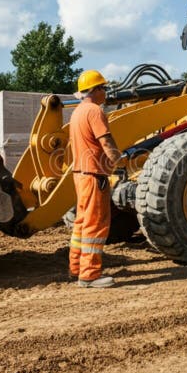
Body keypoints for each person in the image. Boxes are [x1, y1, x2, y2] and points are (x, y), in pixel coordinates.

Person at [68, 69, 122, 288]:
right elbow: (106, 141)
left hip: (80, 174)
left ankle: (76, 268)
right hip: (94, 174)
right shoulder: (94, 111)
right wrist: (121, 161)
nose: (106, 92)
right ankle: (89, 275)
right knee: (95, 224)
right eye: (104, 88)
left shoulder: (77, 112)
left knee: (81, 223)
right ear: (95, 89)